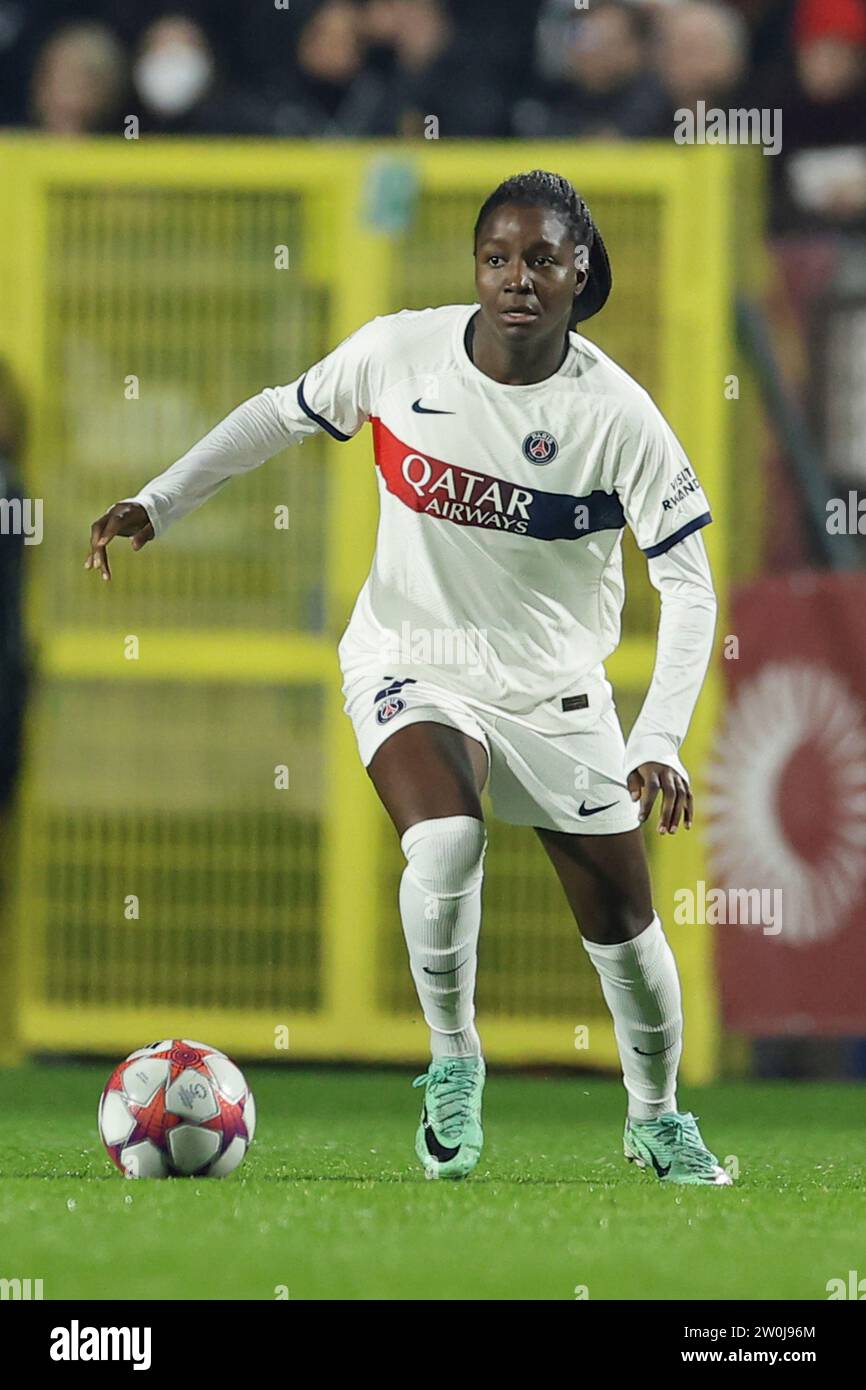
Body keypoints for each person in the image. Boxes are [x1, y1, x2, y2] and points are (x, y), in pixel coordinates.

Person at [85, 169, 730, 1186]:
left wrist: (654, 737)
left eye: (541, 259)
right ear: (474, 267)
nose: (516, 277)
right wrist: (159, 500)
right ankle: (452, 1061)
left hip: (554, 692)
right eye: (496, 257)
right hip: (408, 658)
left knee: (624, 930)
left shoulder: (619, 417)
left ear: (579, 274)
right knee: (444, 840)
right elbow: (274, 413)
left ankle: (655, 1116)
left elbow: (689, 590)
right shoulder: (398, 352)